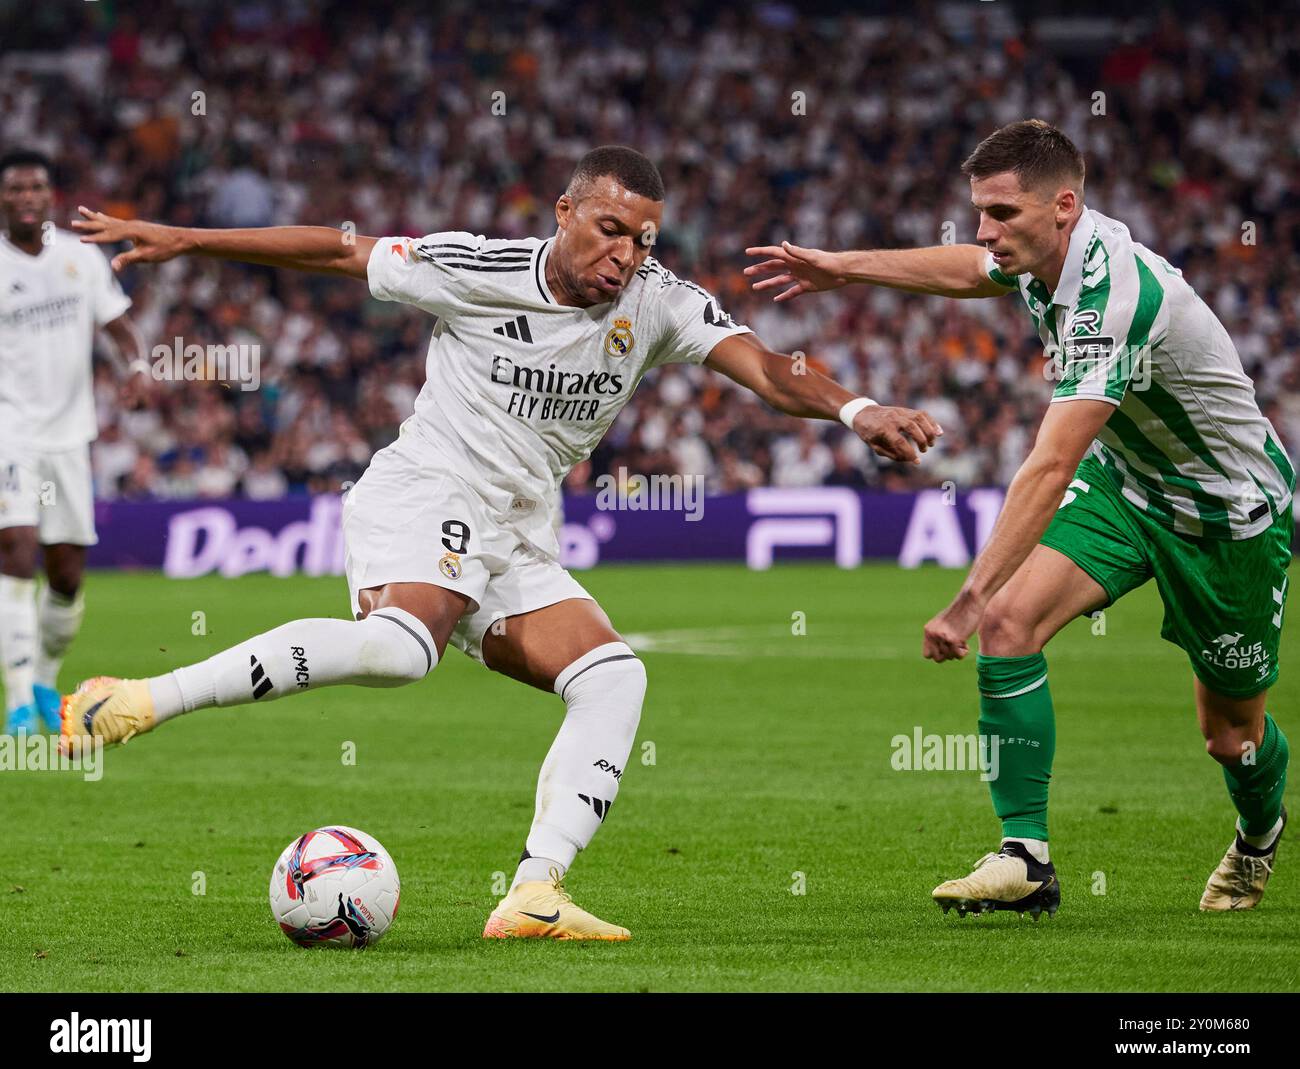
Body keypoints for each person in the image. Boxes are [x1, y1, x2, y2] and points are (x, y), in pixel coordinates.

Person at [65, 145, 941, 940]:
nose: (625, 255)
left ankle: (535, 890)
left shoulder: (660, 302)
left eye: (641, 239)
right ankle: (142, 697)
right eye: (609, 230)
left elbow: (765, 366)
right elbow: (339, 249)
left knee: (611, 677)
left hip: (517, 530)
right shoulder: (473, 267)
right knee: (402, 653)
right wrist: (186, 237)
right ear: (563, 213)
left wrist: (856, 409)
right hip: (426, 491)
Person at [745, 120, 1292, 916]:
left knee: (1231, 737)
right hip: (1128, 490)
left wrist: (962, 599)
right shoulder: (1040, 256)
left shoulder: (1116, 295)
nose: (986, 232)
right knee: (1009, 625)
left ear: (1064, 206)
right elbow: (970, 269)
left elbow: (1049, 464)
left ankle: (1259, 833)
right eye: (980, 212)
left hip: (1223, 515)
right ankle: (1025, 857)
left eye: (1003, 213)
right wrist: (846, 268)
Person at [0, 149, 147, 736]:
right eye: (14, 189)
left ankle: (42, 677)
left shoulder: (81, 256)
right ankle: (15, 703)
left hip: (70, 433)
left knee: (66, 574)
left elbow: (117, 324)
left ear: (50, 195)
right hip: (10, 430)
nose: (26, 197)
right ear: (2, 199)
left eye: (36, 186)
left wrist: (137, 365)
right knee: (15, 551)